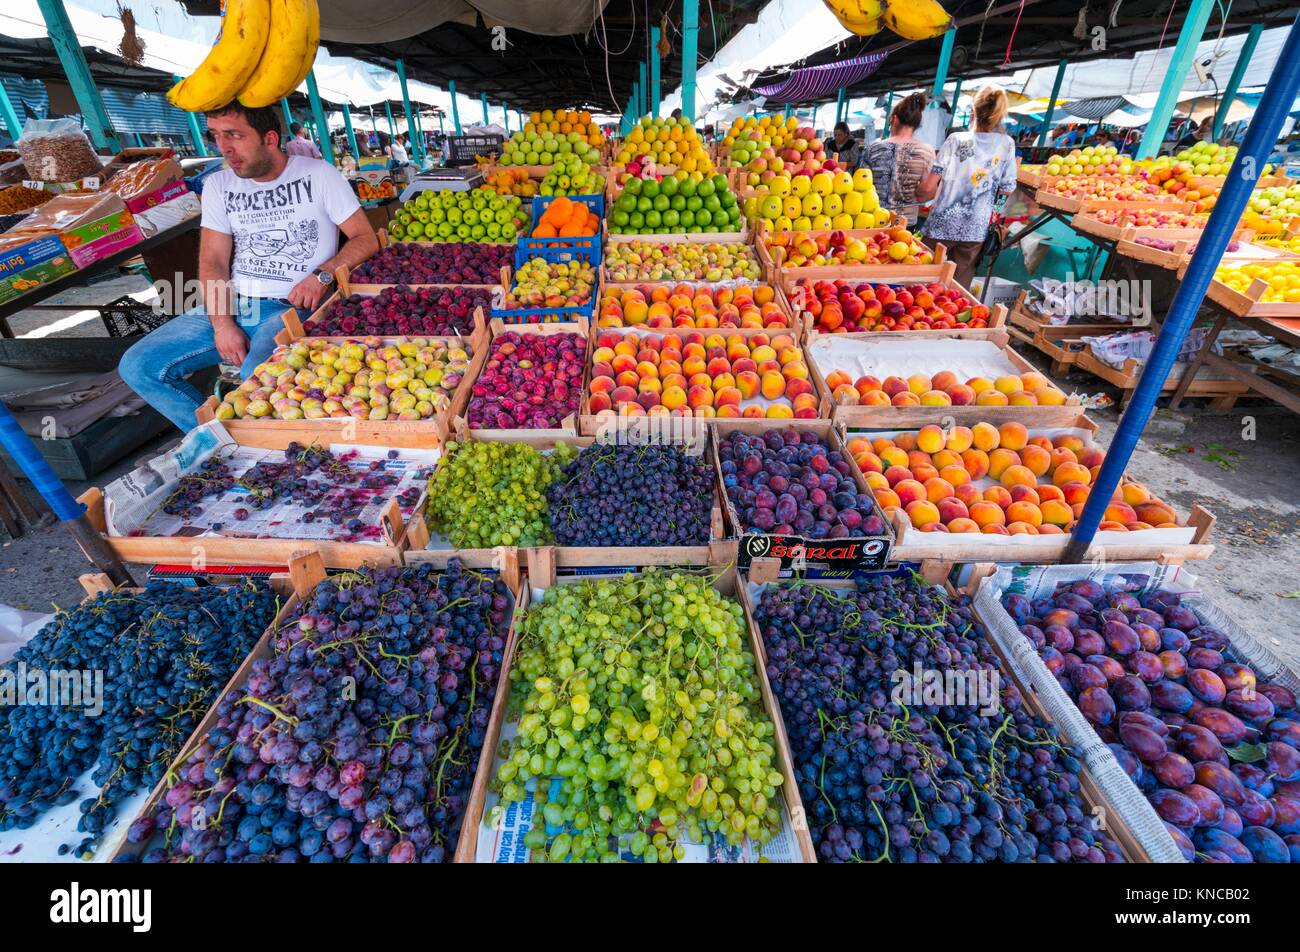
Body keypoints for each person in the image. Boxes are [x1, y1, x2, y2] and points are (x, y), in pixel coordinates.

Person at [119, 103, 379, 432]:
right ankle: (216, 438)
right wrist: (222, 324)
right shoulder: (218, 185)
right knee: (138, 365)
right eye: (216, 135)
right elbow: (212, 260)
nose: (224, 147)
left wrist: (322, 274)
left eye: (234, 135)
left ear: (269, 138)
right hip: (236, 302)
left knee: (255, 378)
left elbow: (364, 238)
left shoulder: (319, 175)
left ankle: (245, 439)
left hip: (292, 306)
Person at [919, 85, 1017, 289]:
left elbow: (930, 184)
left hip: (942, 223)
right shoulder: (1006, 144)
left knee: (923, 282)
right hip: (976, 228)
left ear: (974, 111)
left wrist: (916, 194)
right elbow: (1006, 188)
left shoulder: (956, 140)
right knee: (956, 291)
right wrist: (993, 214)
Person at [863, 92, 936, 224]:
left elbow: (861, 185)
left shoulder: (873, 148)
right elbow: (927, 192)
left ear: (894, 119)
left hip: (873, 221)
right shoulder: (927, 152)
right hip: (905, 224)